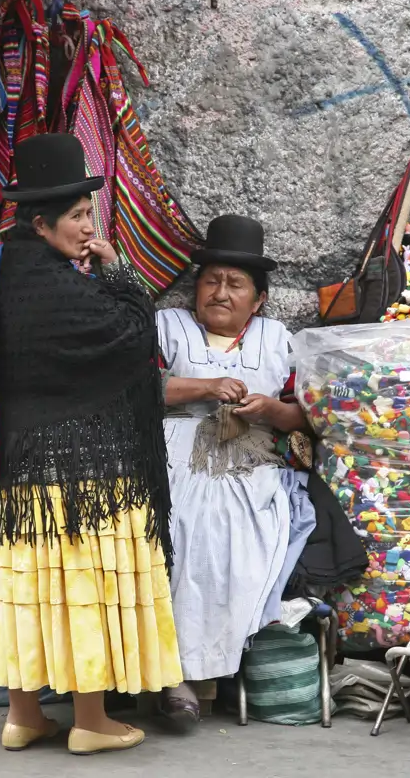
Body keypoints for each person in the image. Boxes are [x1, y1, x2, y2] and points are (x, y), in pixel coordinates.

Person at [0, 134, 182, 754]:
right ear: (40, 222)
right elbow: (131, 339)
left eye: (88, 214)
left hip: (13, 467)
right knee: (83, 591)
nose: (87, 227)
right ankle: (92, 721)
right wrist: (120, 275)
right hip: (84, 472)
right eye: (77, 217)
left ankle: (23, 717)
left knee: (25, 588)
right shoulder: (62, 286)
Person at [155, 214, 316, 729]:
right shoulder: (168, 328)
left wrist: (271, 410)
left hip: (253, 462)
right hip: (174, 454)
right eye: (211, 280)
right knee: (180, 524)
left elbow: (306, 417)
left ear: (259, 298)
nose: (220, 292)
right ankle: (174, 676)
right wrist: (204, 387)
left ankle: (206, 673)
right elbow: (137, 388)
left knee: (241, 534)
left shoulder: (277, 340)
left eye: (235, 283)